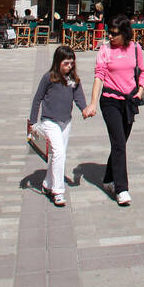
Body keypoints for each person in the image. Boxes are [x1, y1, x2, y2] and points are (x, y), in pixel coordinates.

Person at [27, 45, 93, 207]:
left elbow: (79, 97)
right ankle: (58, 191)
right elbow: (37, 99)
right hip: (50, 121)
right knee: (58, 153)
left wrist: (84, 110)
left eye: (71, 63)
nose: (69, 66)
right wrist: (32, 123)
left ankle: (47, 184)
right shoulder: (48, 77)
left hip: (66, 121)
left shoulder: (73, 80)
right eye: (66, 63)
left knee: (59, 154)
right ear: (58, 62)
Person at [92, 15, 144, 206]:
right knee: (119, 143)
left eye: (114, 34)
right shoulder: (105, 49)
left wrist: (140, 90)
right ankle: (121, 189)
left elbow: (142, 71)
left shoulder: (136, 49)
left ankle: (108, 179)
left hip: (130, 101)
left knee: (120, 143)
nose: (110, 37)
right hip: (110, 101)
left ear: (124, 34)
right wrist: (92, 103)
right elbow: (99, 75)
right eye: (109, 33)